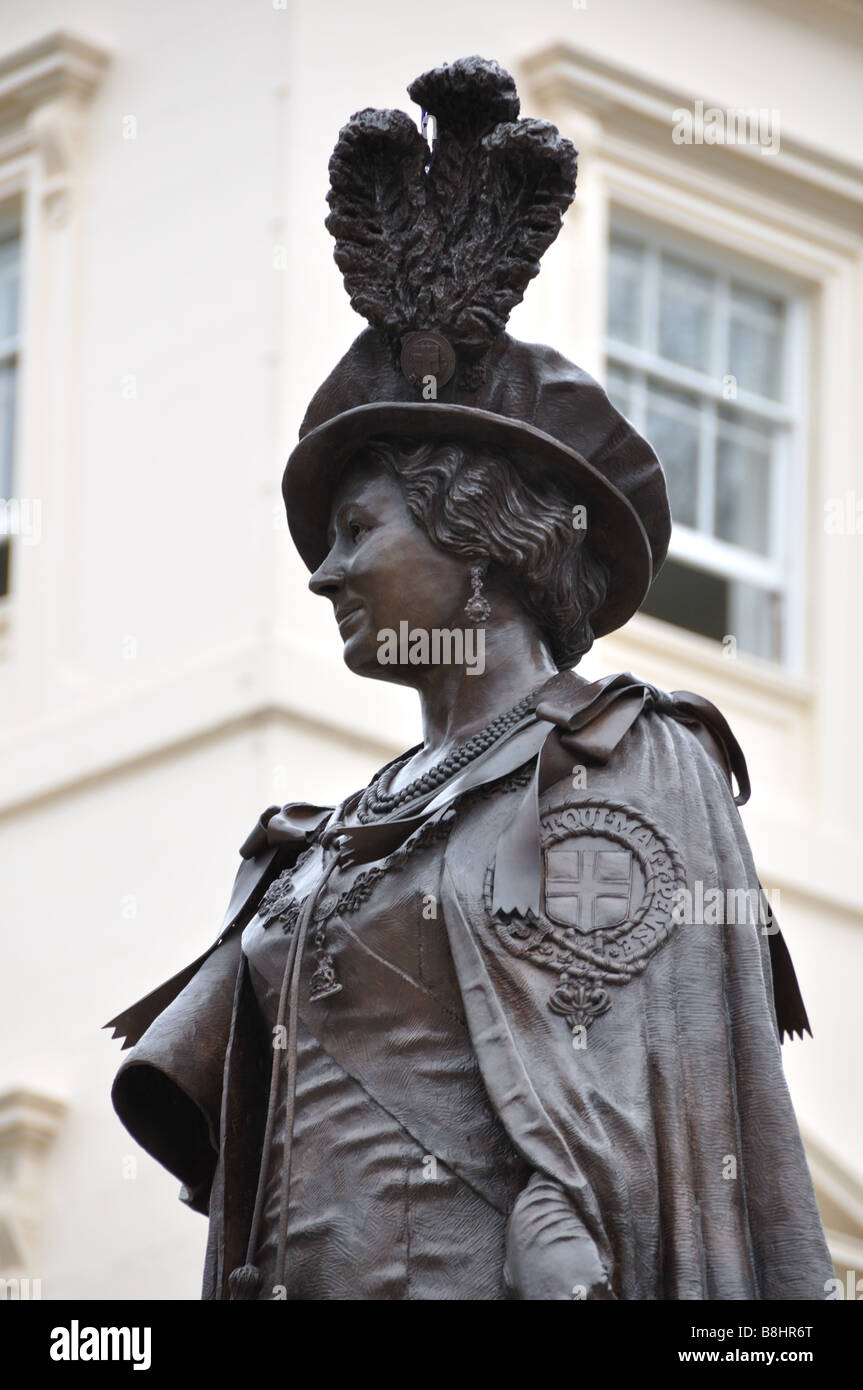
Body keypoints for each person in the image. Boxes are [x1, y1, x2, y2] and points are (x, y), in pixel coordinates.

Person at [106, 56, 833, 1300]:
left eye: (358, 532)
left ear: (476, 537)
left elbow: (622, 1115)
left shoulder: (627, 753)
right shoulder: (319, 843)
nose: (326, 575)